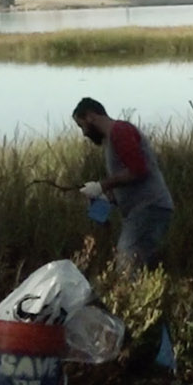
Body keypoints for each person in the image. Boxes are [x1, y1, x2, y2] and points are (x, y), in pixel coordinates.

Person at [71, 97, 174, 272]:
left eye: (82, 126)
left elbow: (138, 170)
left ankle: (129, 297)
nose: (84, 133)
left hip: (149, 208)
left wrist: (101, 186)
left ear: (90, 117)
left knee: (126, 263)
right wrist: (102, 201)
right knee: (139, 263)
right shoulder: (111, 139)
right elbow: (126, 180)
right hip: (144, 210)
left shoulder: (120, 131)